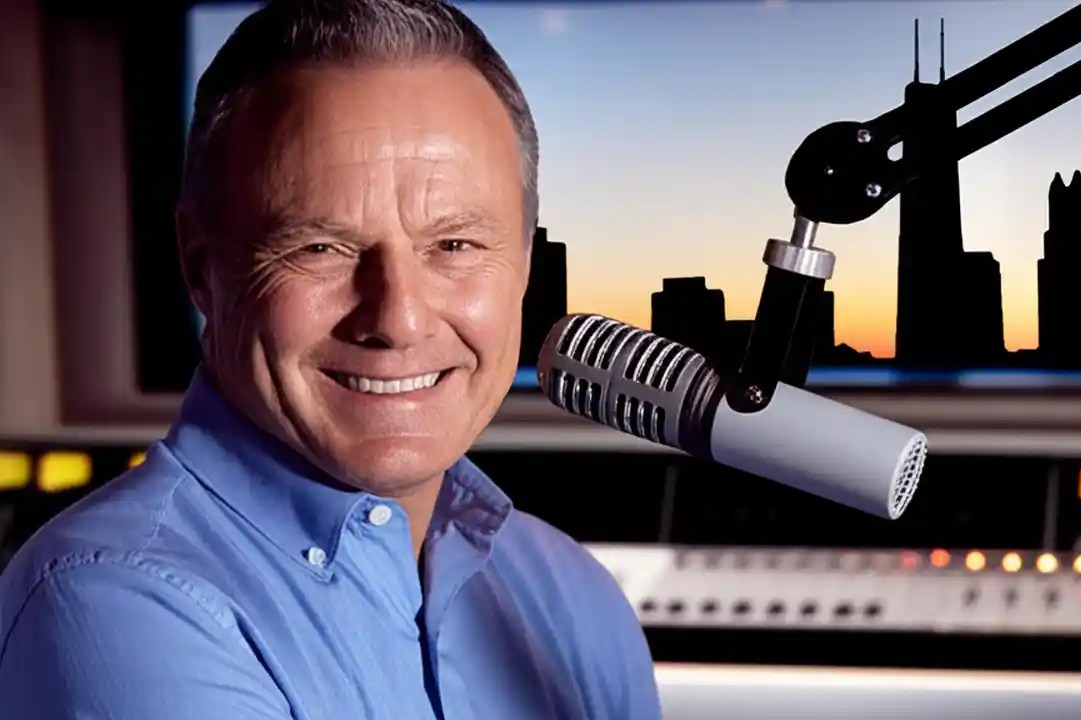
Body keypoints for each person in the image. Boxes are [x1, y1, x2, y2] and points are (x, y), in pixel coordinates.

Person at [0, 1, 662, 717]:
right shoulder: (112, 603)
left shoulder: (571, 594)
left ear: (526, 266)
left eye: (456, 245)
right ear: (201, 268)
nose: (398, 319)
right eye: (322, 248)